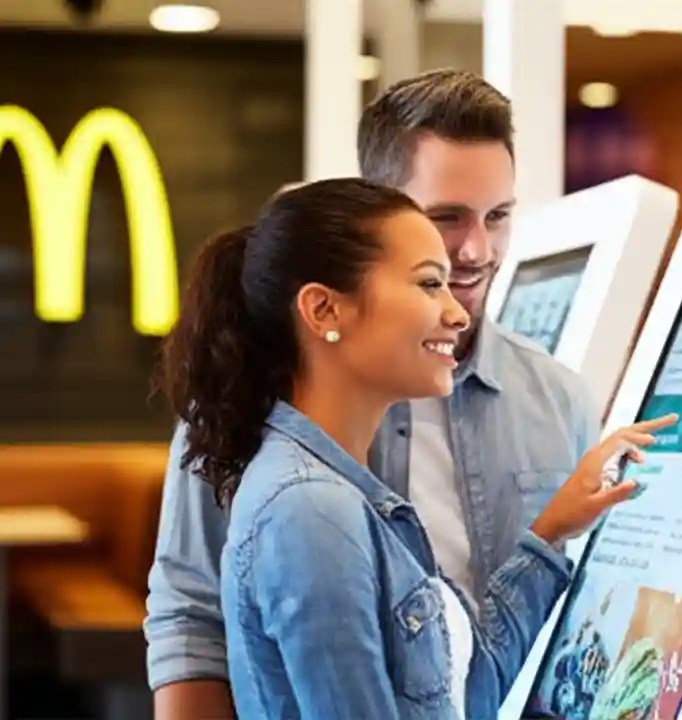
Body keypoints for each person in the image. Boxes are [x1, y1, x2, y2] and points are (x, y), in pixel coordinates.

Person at [144, 70, 608, 718]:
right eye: (445, 221)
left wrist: (553, 527)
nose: (477, 250)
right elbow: (191, 624)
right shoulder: (287, 468)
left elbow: (465, 675)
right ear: (377, 210)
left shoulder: (560, 399)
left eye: (498, 217)